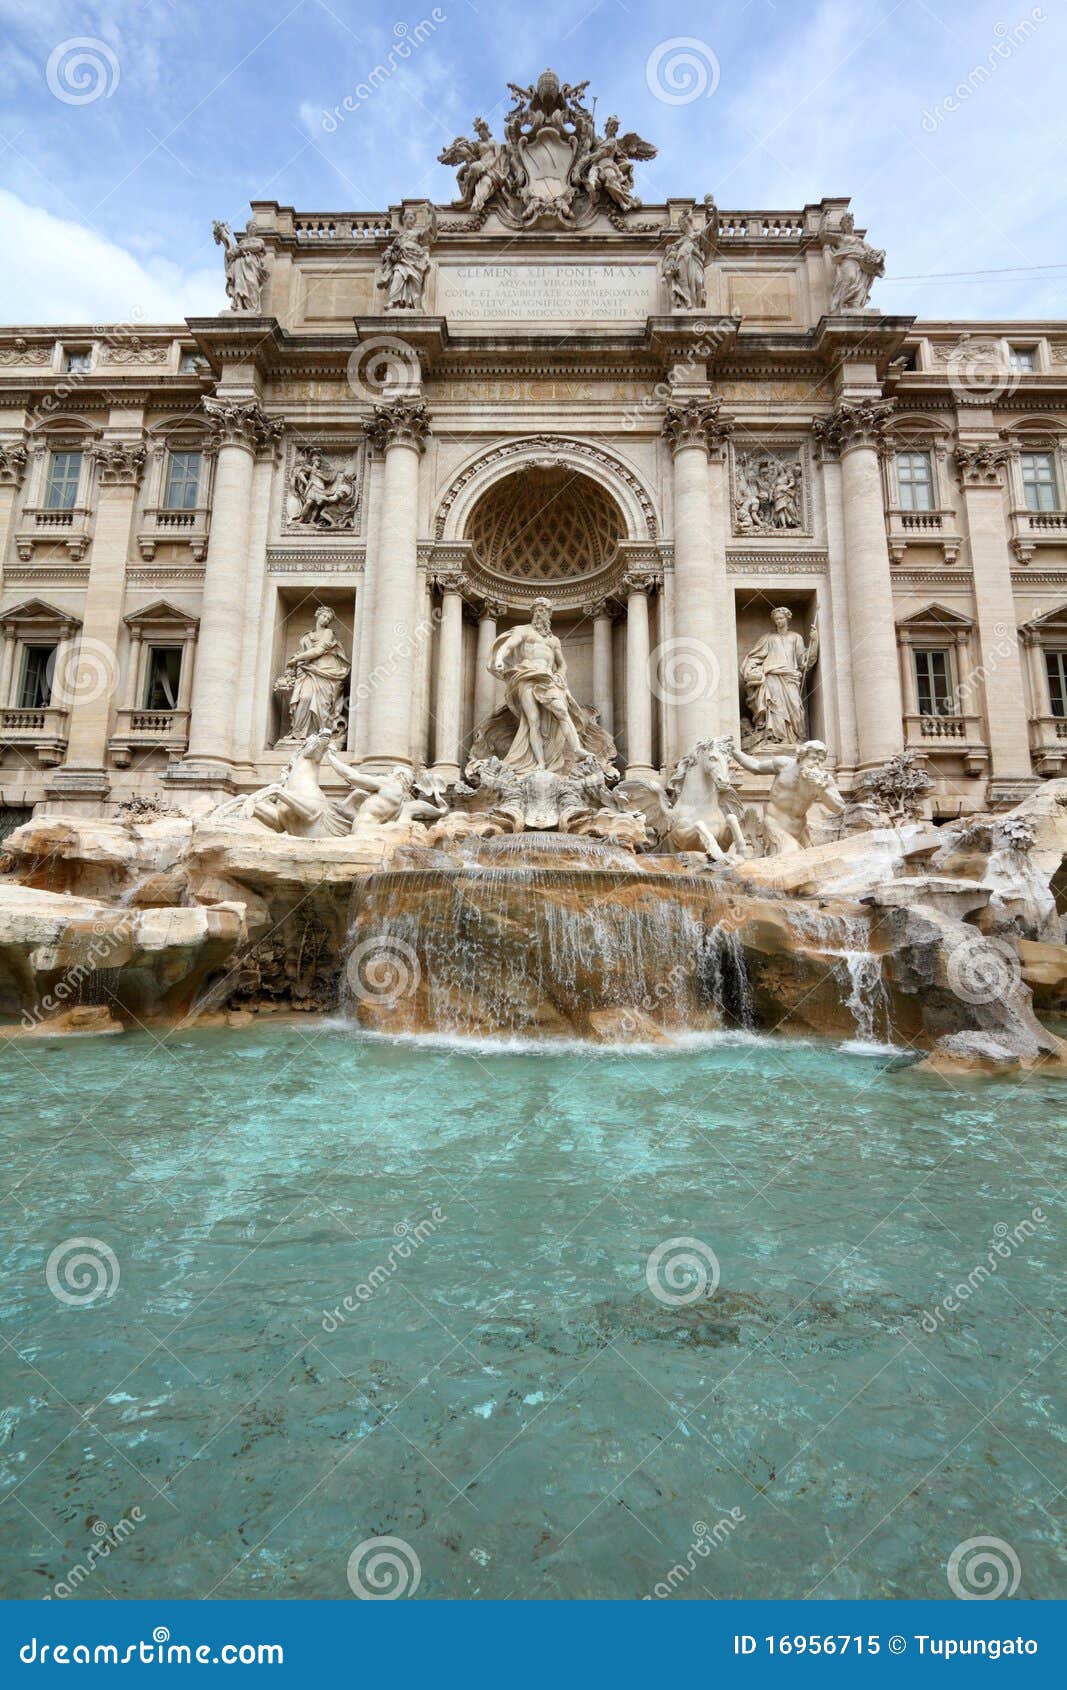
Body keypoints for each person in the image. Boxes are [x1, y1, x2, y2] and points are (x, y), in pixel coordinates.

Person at [740, 606, 818, 746]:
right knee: (775, 707)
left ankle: (795, 738)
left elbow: (804, 661)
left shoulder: (796, 637)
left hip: (790, 676)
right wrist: (751, 669)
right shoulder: (768, 638)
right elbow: (754, 657)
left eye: (781, 618)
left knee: (795, 707)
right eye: (776, 619)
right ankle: (776, 738)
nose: (778, 621)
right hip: (771, 676)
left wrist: (814, 642)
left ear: (787, 618)